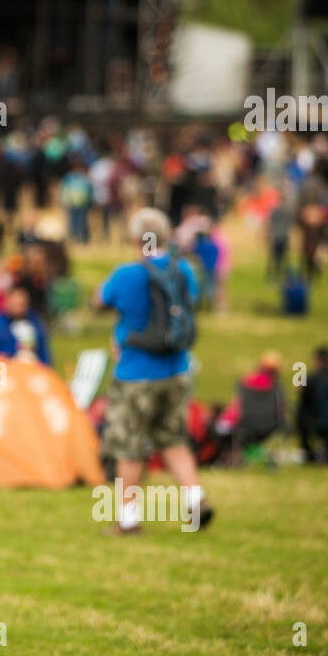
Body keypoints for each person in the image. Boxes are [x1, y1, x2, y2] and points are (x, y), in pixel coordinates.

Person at [94, 207, 211, 533]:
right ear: (167, 236)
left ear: (134, 239)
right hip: (176, 369)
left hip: (136, 373)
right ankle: (195, 500)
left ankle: (128, 519)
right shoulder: (184, 270)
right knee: (173, 438)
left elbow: (99, 301)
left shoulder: (127, 274)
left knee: (129, 445)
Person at [0, 287, 50, 364]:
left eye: (22, 304)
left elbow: (44, 351)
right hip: (7, 367)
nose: (19, 307)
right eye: (16, 304)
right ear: (7, 303)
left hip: (33, 367)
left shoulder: (35, 322)